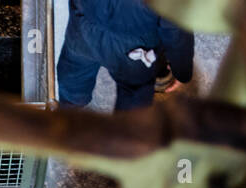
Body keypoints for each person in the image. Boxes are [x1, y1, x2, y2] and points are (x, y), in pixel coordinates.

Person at [57, 0, 194, 111]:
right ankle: (126, 132)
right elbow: (176, 30)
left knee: (74, 73)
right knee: (135, 91)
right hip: (134, 47)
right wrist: (182, 71)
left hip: (83, 25)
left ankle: (69, 112)